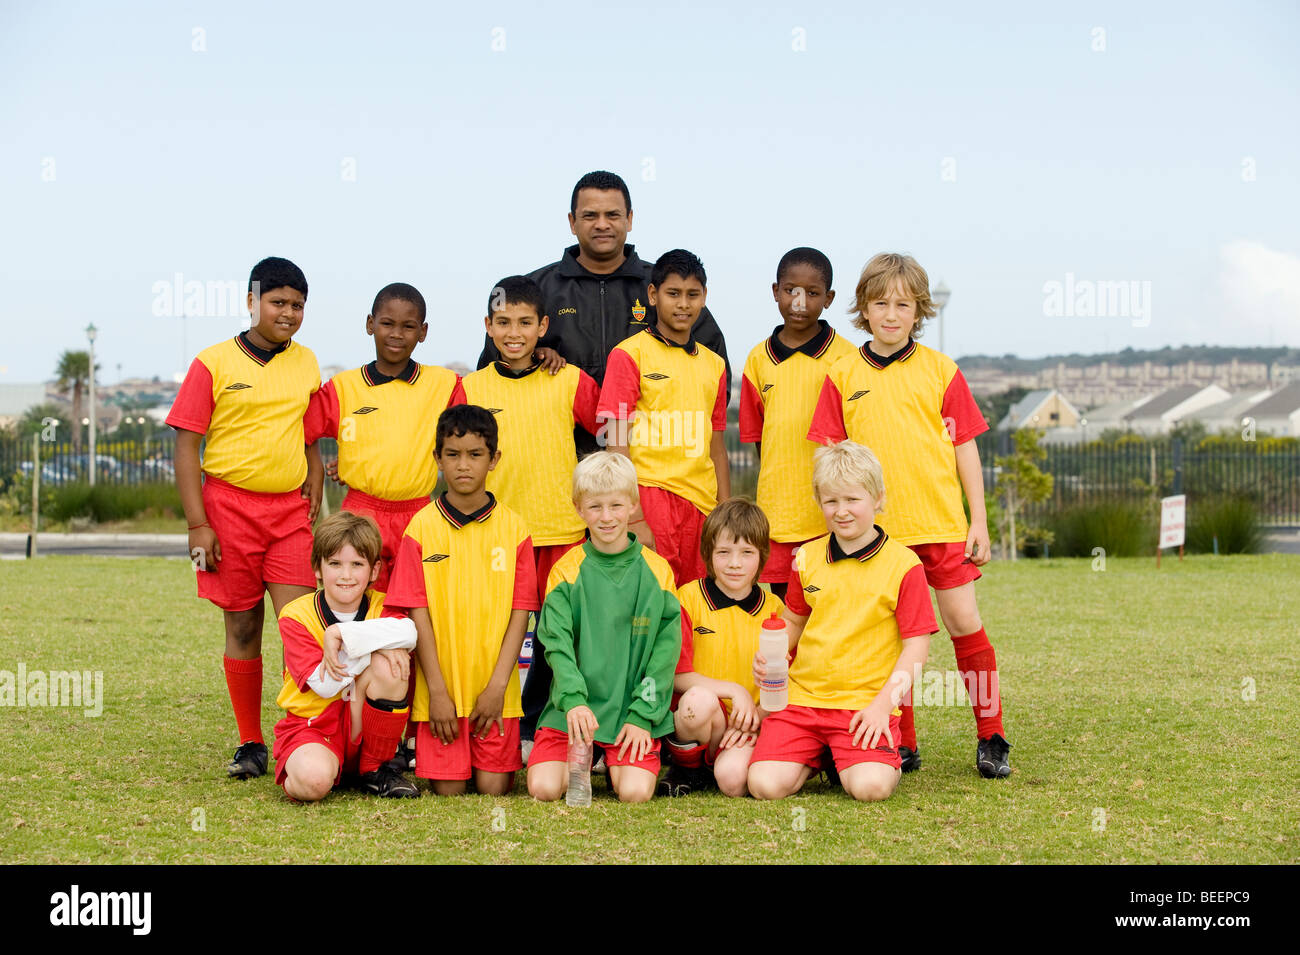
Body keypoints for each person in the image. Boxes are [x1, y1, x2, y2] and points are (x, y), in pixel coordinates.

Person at [807, 252, 1012, 778]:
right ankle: (902, 741)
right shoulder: (842, 372)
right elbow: (830, 457)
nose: (891, 314)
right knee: (893, 639)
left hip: (941, 526)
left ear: (918, 309)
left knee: (965, 623)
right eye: (881, 303)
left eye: (902, 304)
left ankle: (992, 736)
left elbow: (966, 449)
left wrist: (978, 522)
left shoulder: (941, 371)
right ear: (864, 309)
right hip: (880, 539)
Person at [166, 255, 323, 779]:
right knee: (242, 623)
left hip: (287, 514)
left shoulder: (306, 362)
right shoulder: (213, 362)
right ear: (252, 301)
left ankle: (300, 732)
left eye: (298, 305)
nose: (288, 313)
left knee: (300, 623)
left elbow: (309, 436)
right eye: (278, 302)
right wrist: (197, 523)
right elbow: (187, 446)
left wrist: (316, 483)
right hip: (227, 508)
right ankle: (250, 742)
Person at [476, 170, 730, 449]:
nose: (602, 224)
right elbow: (492, 376)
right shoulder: (536, 289)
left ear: (629, 219)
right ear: (572, 222)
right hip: (557, 460)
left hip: (647, 467)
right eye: (589, 216)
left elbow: (713, 377)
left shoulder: (664, 289)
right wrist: (533, 359)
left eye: (612, 215)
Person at [457, 275, 601, 749]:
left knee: (559, 636)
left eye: (524, 322)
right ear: (488, 326)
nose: (513, 332)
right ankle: (490, 726)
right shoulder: (469, 387)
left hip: (562, 530)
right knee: (496, 633)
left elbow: (611, 431)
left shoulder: (569, 379)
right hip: (498, 534)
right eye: (502, 322)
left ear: (542, 327)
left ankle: (545, 726)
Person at [748, 442, 937, 802]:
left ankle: (850, 755)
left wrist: (883, 706)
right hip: (802, 700)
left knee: (871, 788)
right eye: (831, 501)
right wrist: (771, 652)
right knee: (763, 785)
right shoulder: (806, 556)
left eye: (853, 500)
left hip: (863, 703)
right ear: (819, 503)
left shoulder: (905, 565)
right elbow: (794, 620)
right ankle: (820, 754)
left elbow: (916, 646)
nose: (842, 511)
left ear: (878, 499)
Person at [383, 405, 538, 796]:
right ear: (437, 459)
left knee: (493, 789)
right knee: (448, 792)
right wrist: (435, 691)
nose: (463, 465)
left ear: (494, 459)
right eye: (452, 455)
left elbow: (522, 612)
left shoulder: (515, 528)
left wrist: (498, 687)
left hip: (496, 694)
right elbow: (416, 612)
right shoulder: (421, 527)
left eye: (475, 455)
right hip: (443, 697)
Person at [526, 452, 685, 804]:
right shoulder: (565, 572)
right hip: (573, 709)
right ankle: (578, 755)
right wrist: (573, 703)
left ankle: (615, 754)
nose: (607, 516)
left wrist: (643, 716)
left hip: (630, 708)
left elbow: (664, 653)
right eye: (595, 507)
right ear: (578, 508)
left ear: (633, 505)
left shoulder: (656, 572)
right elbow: (557, 646)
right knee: (544, 788)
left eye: (616, 505)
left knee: (634, 792)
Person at [305, 283, 464, 591]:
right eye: (387, 323)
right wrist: (319, 468)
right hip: (360, 514)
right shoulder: (344, 387)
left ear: (423, 331)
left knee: (417, 608)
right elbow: (300, 433)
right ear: (370, 324)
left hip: (419, 513)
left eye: (408, 326)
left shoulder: (444, 385)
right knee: (359, 606)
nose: (396, 334)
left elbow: (467, 439)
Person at [598, 249, 730, 587]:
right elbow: (616, 442)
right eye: (673, 294)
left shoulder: (714, 365)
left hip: (701, 504)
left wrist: (725, 511)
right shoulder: (629, 354)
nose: (683, 304)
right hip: (650, 496)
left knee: (695, 604)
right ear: (654, 295)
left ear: (704, 298)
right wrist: (633, 515)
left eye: (692, 295)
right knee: (650, 603)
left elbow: (716, 445)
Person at [273, 512, 419, 801]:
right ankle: (306, 766)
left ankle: (375, 768)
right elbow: (326, 685)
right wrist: (374, 645)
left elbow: (411, 632)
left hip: (363, 728)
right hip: (313, 726)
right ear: (317, 567)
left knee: (392, 665)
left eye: (357, 564)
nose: (346, 575)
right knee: (313, 784)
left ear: (374, 570)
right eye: (335, 564)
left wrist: (341, 635)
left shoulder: (381, 604)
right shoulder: (296, 615)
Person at [739, 247, 856, 600]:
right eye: (791, 290)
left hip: (833, 513)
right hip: (779, 513)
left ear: (829, 298)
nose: (800, 302)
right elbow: (759, 438)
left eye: (812, 293)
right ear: (776, 291)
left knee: (831, 606)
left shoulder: (847, 358)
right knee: (782, 609)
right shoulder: (758, 359)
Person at [660, 499, 783, 798]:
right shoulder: (687, 599)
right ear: (708, 554)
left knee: (732, 782)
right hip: (704, 718)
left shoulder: (776, 611)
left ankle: (724, 764)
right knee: (697, 701)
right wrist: (733, 690)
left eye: (747, 553)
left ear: (762, 556)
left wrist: (756, 714)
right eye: (724, 552)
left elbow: (784, 683)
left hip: (750, 722)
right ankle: (688, 768)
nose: (735, 563)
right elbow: (675, 675)